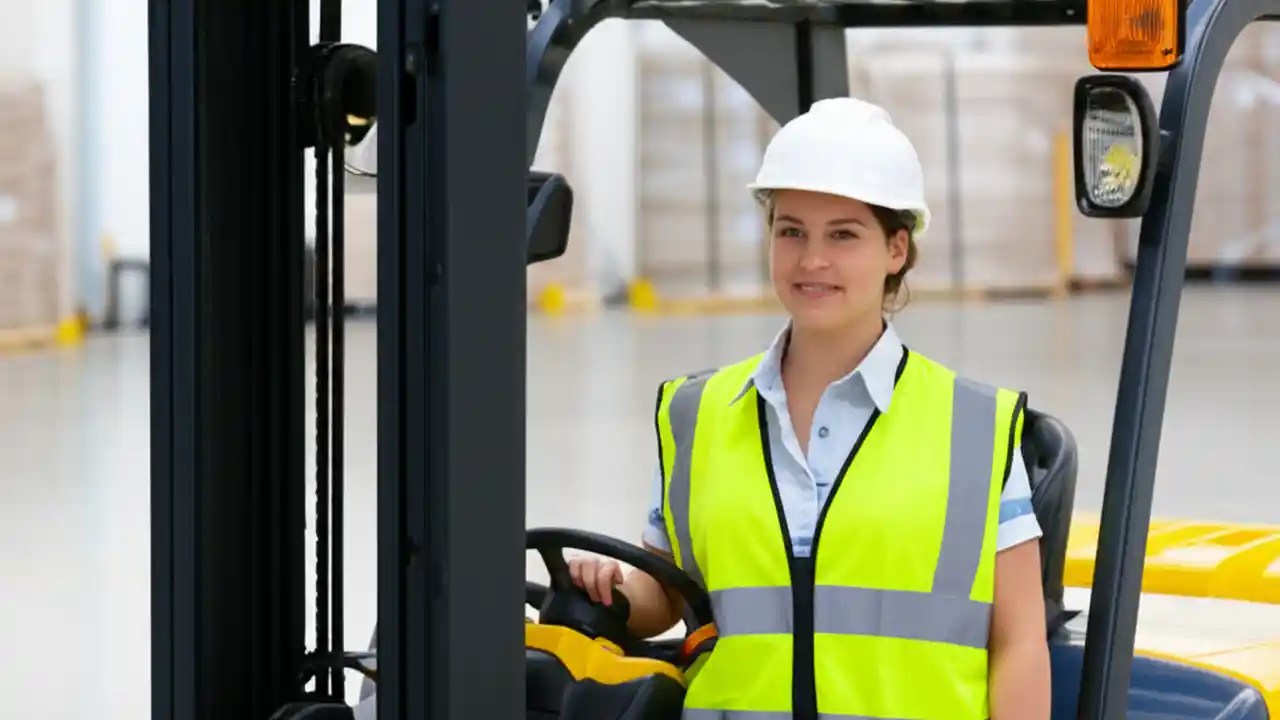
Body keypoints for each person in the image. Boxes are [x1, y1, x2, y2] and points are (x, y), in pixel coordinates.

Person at [568, 97, 1051, 719]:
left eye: (842, 235)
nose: (811, 259)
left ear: (896, 250)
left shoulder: (974, 429)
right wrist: (610, 591)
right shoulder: (699, 411)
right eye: (790, 230)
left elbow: (1017, 643)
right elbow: (667, 592)